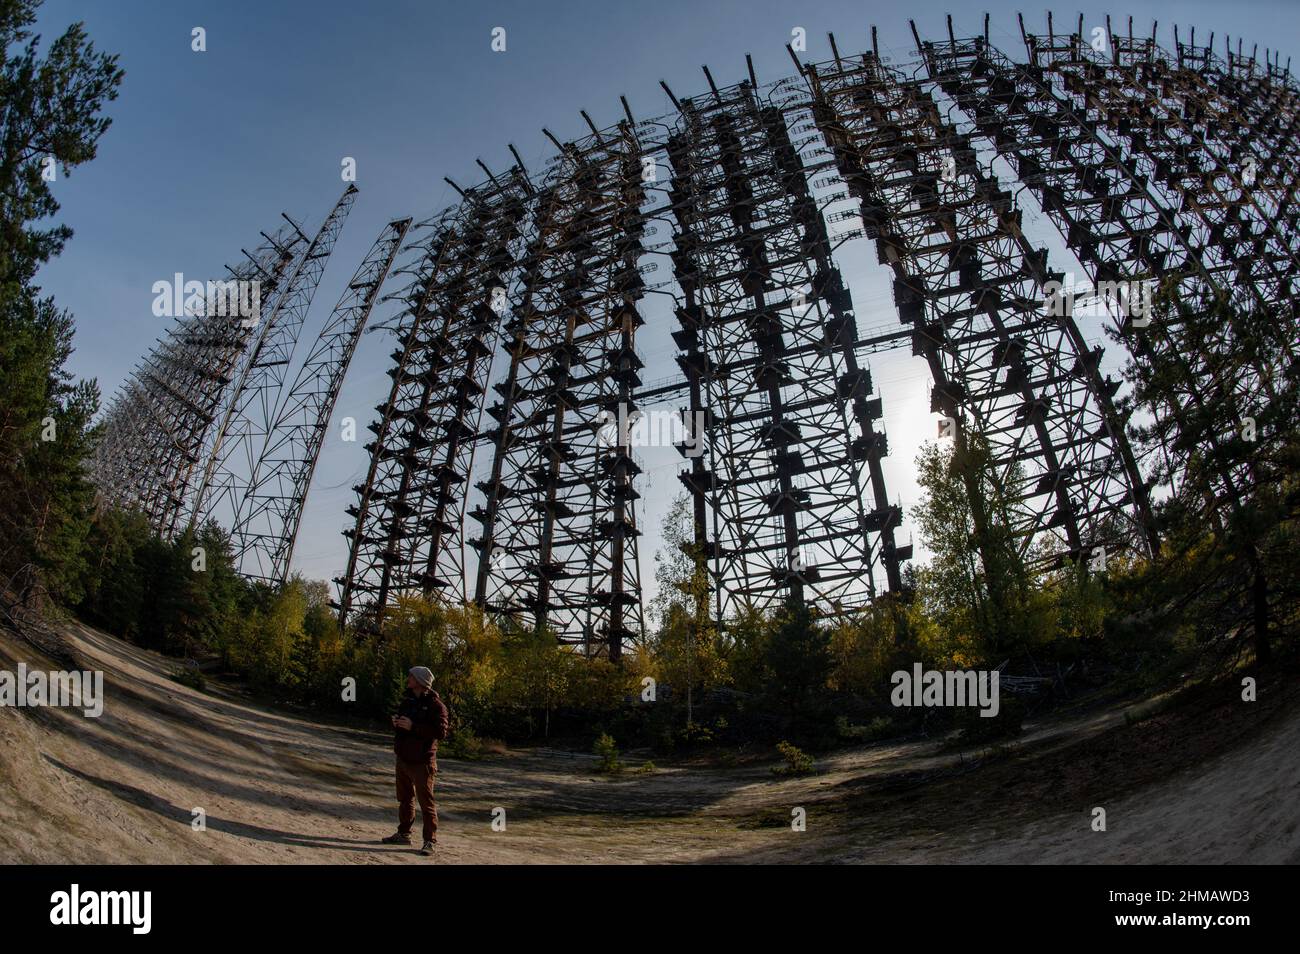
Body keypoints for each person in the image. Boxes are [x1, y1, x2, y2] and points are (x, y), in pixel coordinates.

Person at [380, 666, 448, 856]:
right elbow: (404, 728)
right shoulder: (408, 701)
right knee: (405, 799)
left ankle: (430, 841)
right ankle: (403, 834)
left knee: (426, 803)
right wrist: (397, 723)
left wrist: (413, 726)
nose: (408, 678)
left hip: (422, 762)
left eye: (411, 676)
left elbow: (440, 733)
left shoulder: (437, 706)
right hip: (403, 758)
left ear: (420, 681)